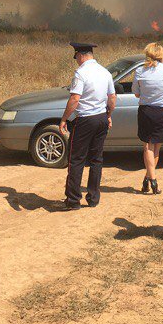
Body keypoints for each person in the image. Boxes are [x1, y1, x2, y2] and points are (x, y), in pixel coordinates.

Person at [59, 42, 116, 210]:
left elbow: (75, 99)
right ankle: (93, 198)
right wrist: (108, 115)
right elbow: (112, 97)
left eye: (76, 57)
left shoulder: (81, 73)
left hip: (85, 120)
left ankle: (73, 200)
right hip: (101, 119)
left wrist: (64, 119)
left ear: (81, 55)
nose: (76, 60)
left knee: (76, 160)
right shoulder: (105, 72)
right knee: (96, 159)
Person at [133, 42, 163, 194]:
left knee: (148, 146)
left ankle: (152, 180)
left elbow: (136, 93)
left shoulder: (140, 71)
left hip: (147, 111)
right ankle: (148, 179)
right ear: (161, 55)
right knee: (156, 147)